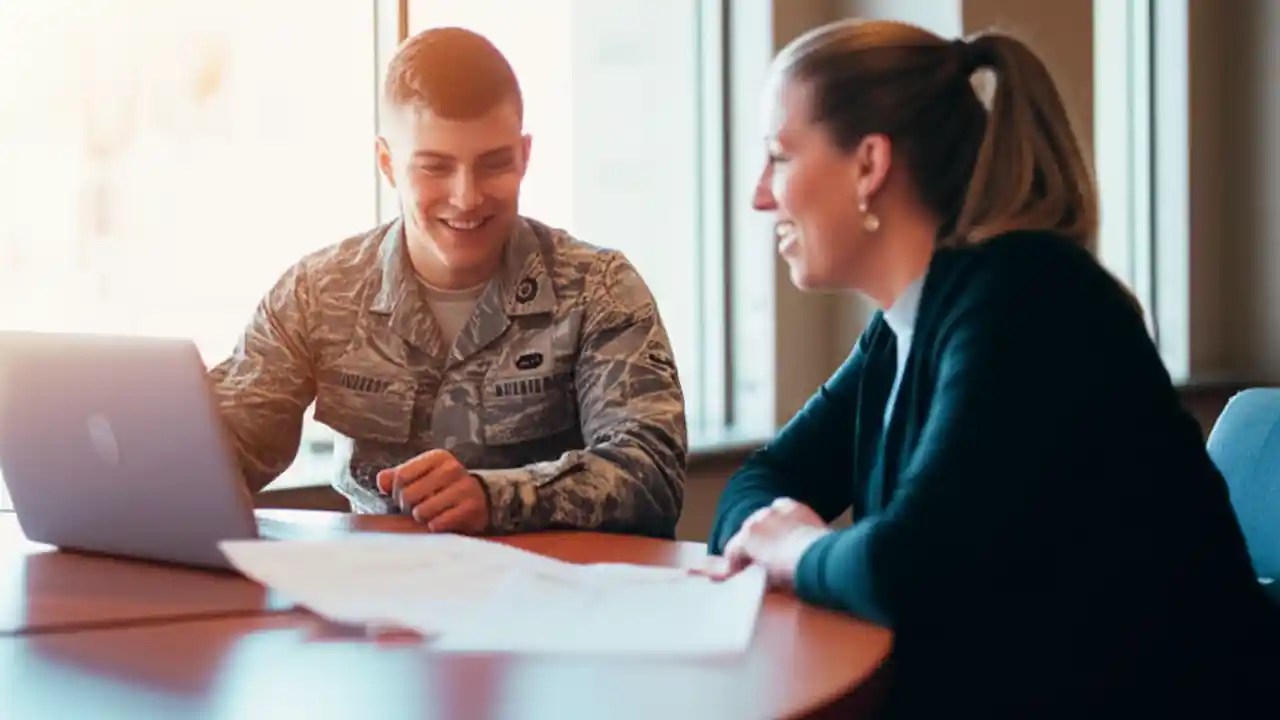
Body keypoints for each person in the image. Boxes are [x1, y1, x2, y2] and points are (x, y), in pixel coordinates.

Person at [705, 19, 1279, 718]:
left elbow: (909, 568)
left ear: (869, 165)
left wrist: (793, 545)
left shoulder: (1027, 301)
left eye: (780, 157)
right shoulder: (903, 327)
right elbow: (762, 481)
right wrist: (772, 535)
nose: (761, 195)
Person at [210, 27, 686, 538]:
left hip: (553, 594)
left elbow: (651, 473)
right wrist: (169, 435)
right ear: (388, 164)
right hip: (375, 595)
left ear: (525, 156)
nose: (466, 197)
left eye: (493, 164)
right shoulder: (317, 293)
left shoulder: (598, 289)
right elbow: (230, 447)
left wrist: (498, 496)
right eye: (435, 167)